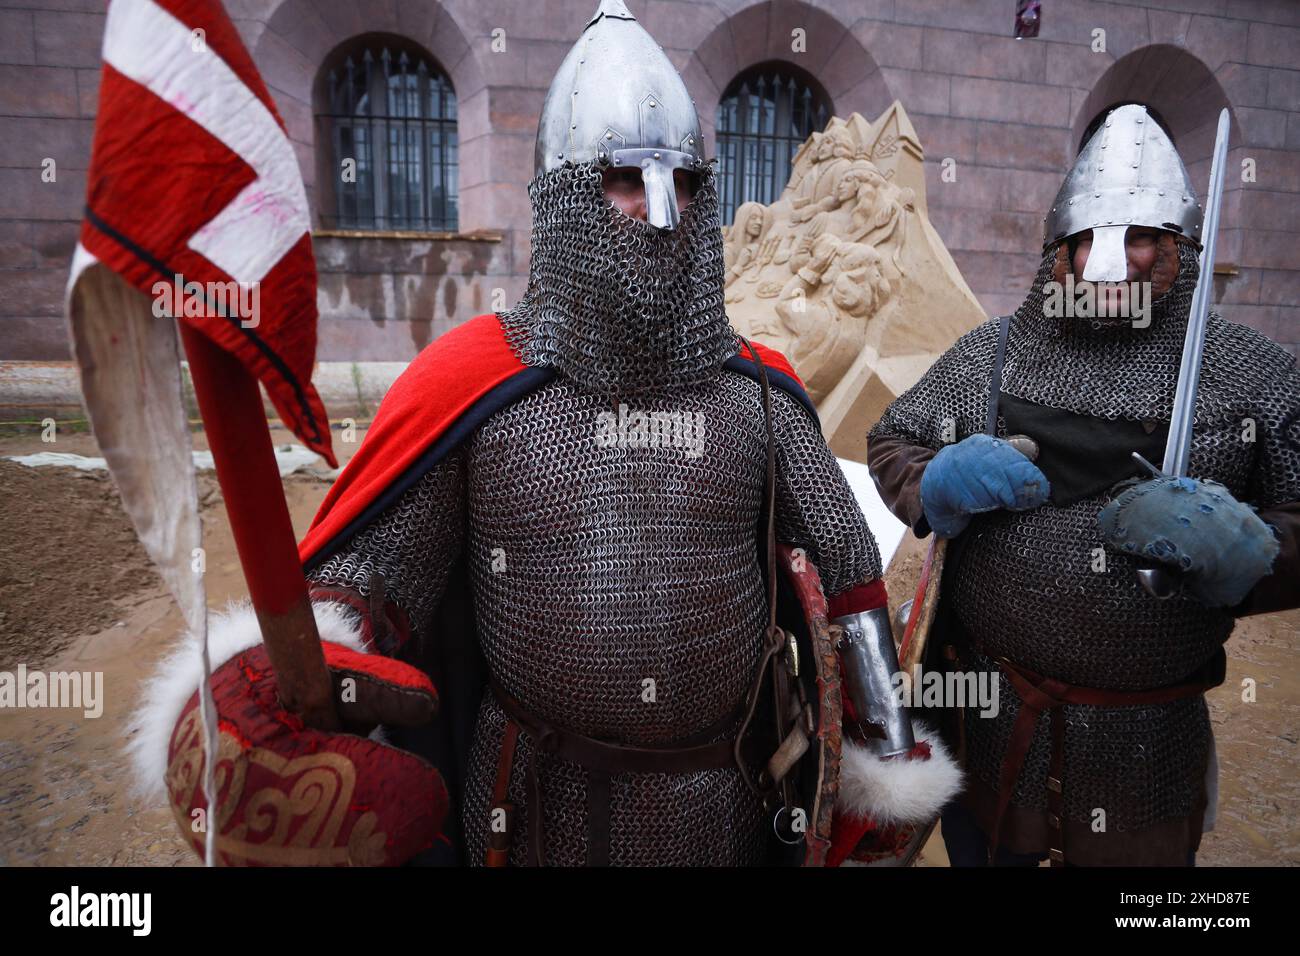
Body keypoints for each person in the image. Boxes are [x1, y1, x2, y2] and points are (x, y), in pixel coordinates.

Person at [133, 0, 958, 868]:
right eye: (626, 179)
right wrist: (300, 657)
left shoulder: (756, 391)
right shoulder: (478, 384)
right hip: (531, 803)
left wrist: (885, 754)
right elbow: (373, 575)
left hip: (730, 797)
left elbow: (847, 569)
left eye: (679, 180)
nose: (659, 209)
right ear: (565, 201)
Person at [867, 103, 1300, 866]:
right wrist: (934, 481)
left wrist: (1253, 554)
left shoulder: (1251, 374)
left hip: (1145, 741)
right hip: (992, 715)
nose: (1115, 263)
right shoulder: (990, 356)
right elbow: (891, 440)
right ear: (1056, 253)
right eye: (1092, 240)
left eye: (1141, 238)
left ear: (1181, 248)